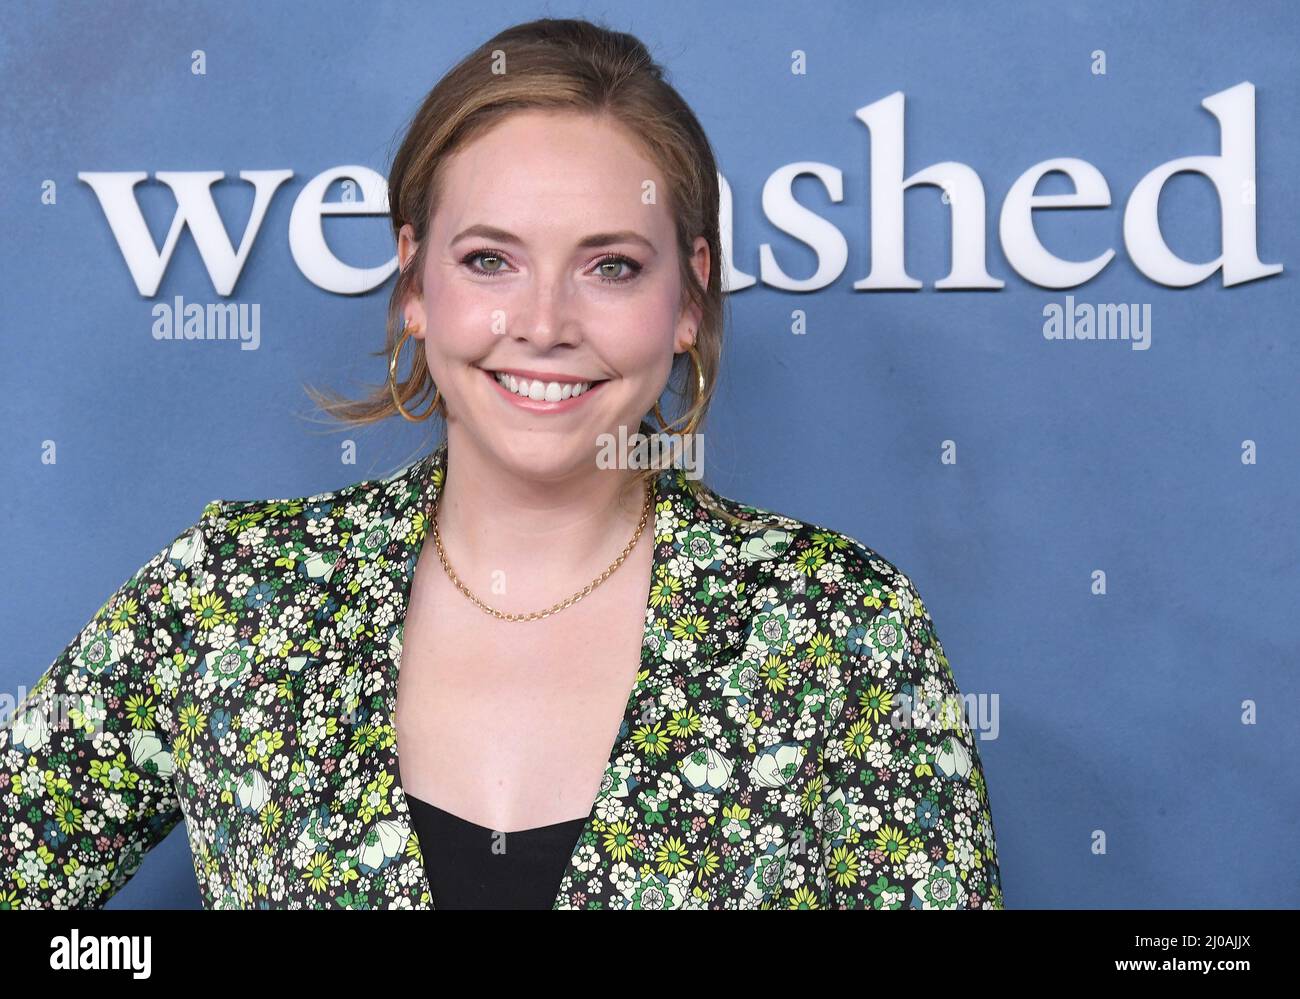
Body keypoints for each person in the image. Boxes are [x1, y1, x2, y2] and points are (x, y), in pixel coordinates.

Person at [0, 17, 1002, 910]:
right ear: (414, 284)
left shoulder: (840, 627)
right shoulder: (229, 596)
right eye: (490, 259)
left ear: (689, 300)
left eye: (611, 266)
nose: (543, 325)